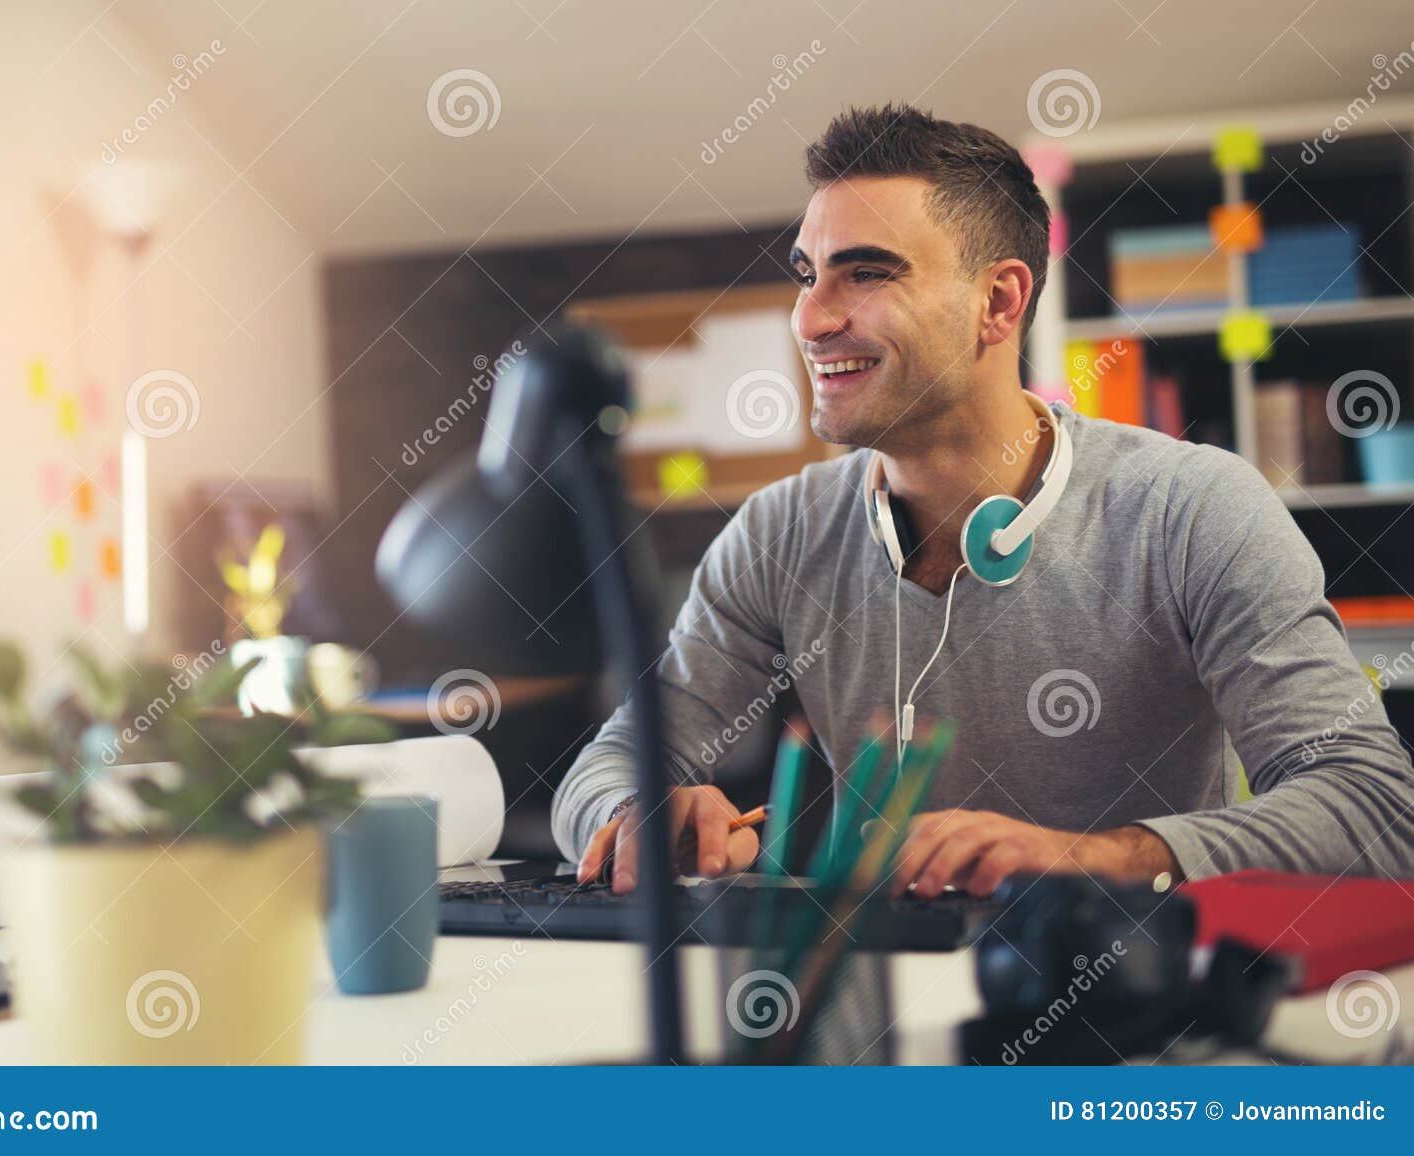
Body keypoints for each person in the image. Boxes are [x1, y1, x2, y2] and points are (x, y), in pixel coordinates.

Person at [551, 102, 1414, 897]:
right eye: (808, 275)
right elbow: (615, 762)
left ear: (998, 302)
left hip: (1130, 991)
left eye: (866, 274)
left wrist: (1091, 859)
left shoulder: (1192, 508)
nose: (809, 320)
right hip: (883, 998)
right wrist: (632, 814)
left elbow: (1375, 809)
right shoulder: (779, 532)